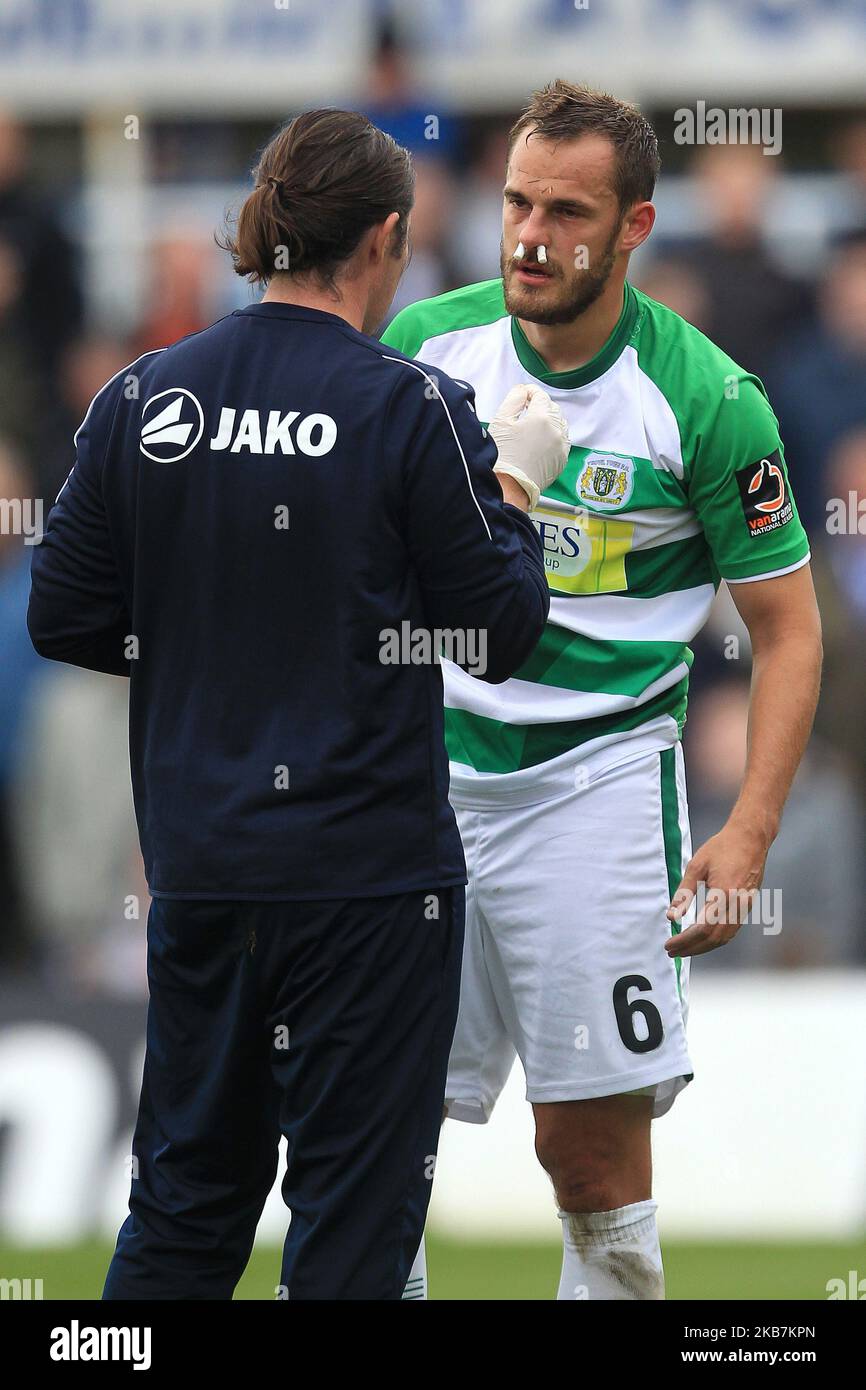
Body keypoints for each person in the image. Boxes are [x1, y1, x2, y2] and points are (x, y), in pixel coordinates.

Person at [27, 108, 570, 1300]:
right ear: (383, 238)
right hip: (369, 885)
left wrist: (212, 637)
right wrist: (518, 484)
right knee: (351, 1229)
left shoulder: (146, 395)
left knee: (180, 1212)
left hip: (205, 867)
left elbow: (59, 616)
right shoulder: (409, 406)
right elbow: (500, 628)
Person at [383, 80, 823, 1301]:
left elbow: (787, 633)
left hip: (599, 790)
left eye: (567, 212)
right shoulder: (427, 351)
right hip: (424, 780)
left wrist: (746, 834)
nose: (529, 235)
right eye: (518, 201)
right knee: (368, 1139)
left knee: (587, 1159)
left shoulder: (709, 399)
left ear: (633, 227)